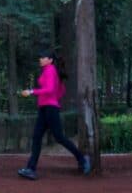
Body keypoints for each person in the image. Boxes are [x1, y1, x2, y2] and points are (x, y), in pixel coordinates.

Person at [17, 48, 91, 180]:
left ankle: (82, 159)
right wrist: (52, 99)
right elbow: (61, 89)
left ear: (50, 60)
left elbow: (50, 89)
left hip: (50, 108)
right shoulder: (48, 71)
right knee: (37, 137)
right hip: (45, 108)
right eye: (40, 57)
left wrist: (32, 92)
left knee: (59, 137)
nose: (40, 59)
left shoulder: (50, 70)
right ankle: (30, 169)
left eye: (43, 57)